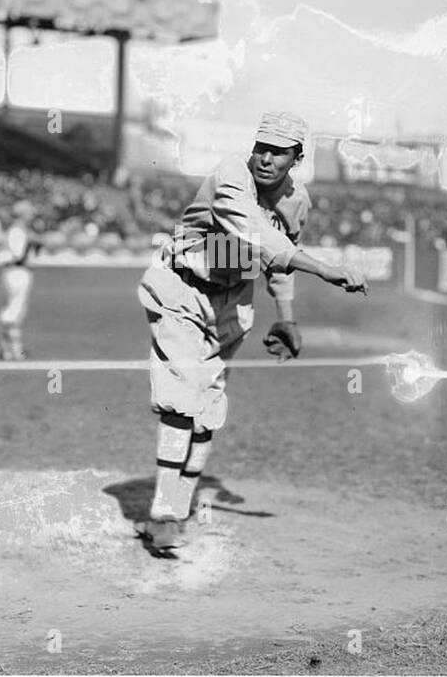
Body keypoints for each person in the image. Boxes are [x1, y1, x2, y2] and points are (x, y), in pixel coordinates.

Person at [134, 111, 367, 553]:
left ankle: (178, 509)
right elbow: (255, 234)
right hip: (182, 288)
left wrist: (287, 317)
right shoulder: (230, 174)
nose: (265, 158)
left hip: (232, 299)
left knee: (207, 409)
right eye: (261, 147)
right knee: (180, 398)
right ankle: (164, 512)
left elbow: (280, 257)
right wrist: (325, 270)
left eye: (278, 152)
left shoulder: (297, 200)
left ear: (296, 158)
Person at [0, 218, 39, 360]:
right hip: (18, 272)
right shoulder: (17, 232)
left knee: (13, 309)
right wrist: (31, 243)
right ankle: (15, 351)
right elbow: (18, 255)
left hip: (13, 272)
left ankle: (7, 350)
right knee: (14, 311)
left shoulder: (17, 232)